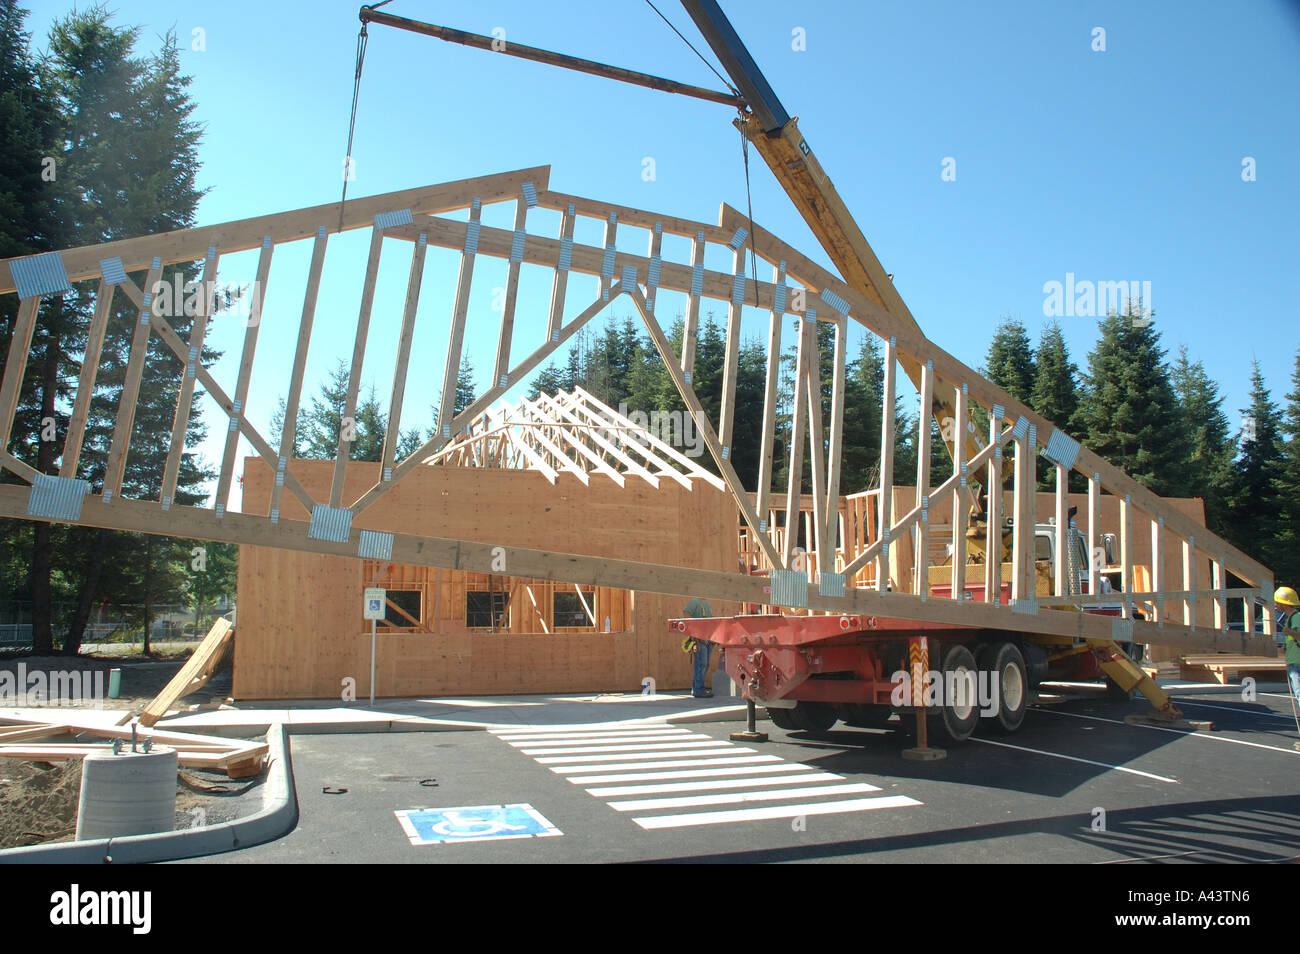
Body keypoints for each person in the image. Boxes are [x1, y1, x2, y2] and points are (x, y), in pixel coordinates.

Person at [683, 596, 714, 698]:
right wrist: (694, 634)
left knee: (704, 664)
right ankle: (698, 689)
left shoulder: (706, 604)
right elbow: (686, 614)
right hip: (700, 638)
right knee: (701, 664)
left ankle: (698, 688)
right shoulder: (695, 602)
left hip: (707, 638)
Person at [1276, 587, 1300, 706]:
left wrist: (1290, 632)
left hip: (1297, 663)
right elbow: (1293, 641)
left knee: (1299, 693)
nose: (1276, 605)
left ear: (1284, 604)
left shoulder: (1296, 617)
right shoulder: (1291, 619)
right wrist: (1283, 648)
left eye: (1277, 602)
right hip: (1293, 662)